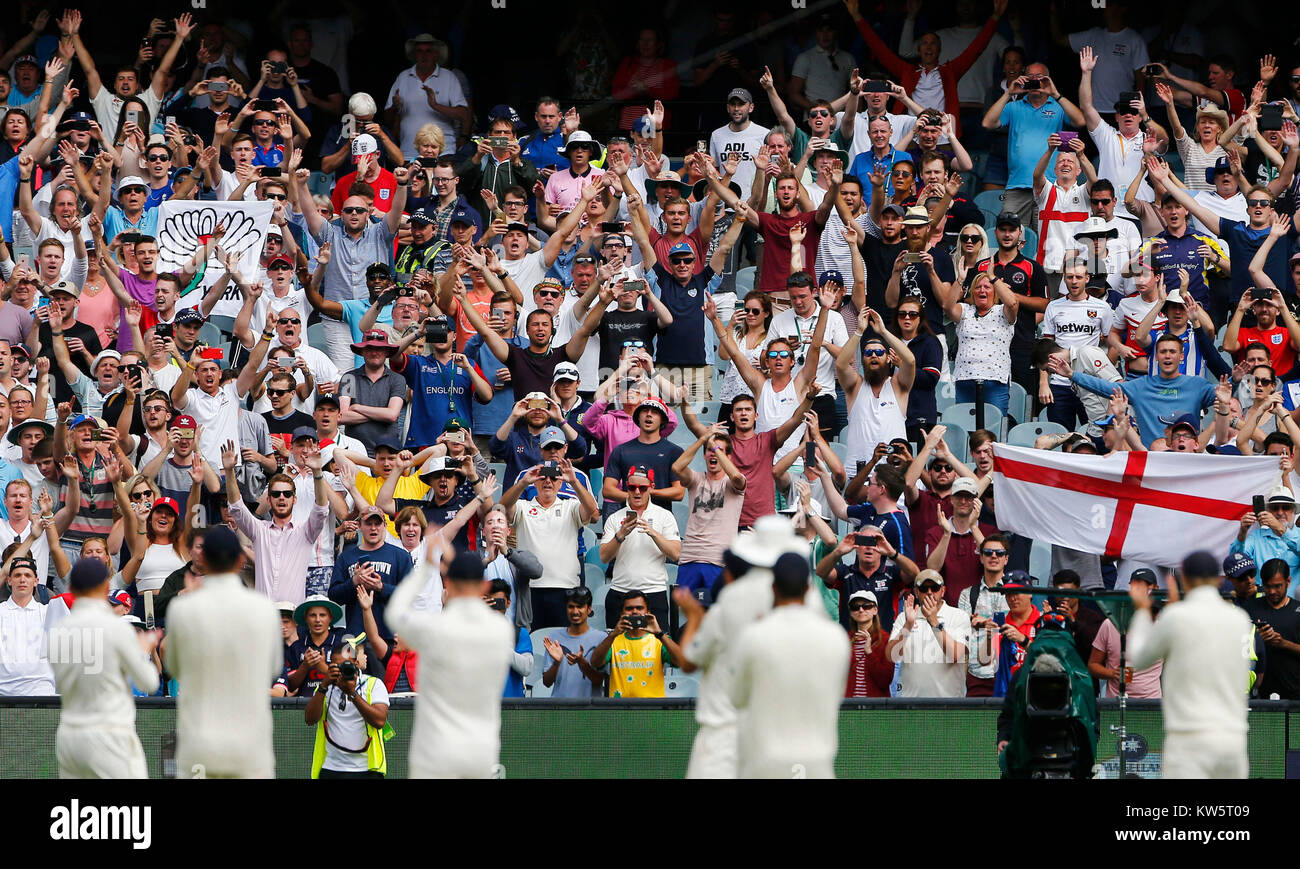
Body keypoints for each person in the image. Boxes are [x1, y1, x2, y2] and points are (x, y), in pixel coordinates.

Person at [385, 546, 513, 778]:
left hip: (435, 753)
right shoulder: (501, 629)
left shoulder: (434, 627)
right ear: (484, 587)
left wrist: (427, 566)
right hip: (480, 753)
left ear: (448, 586)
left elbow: (395, 612)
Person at [165, 526, 280, 778]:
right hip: (250, 748)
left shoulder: (182, 609)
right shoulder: (264, 609)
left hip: (199, 747)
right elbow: (272, 668)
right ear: (240, 560)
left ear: (203, 559)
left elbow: (172, 667)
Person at [1128, 551, 1252, 778]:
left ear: (1183, 578)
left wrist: (1142, 611)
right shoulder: (1240, 619)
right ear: (1219, 579)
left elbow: (1138, 659)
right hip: (1232, 740)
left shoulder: (1176, 617)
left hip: (1189, 741)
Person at [729, 551, 848, 778]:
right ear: (809, 589)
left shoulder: (753, 636)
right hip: (816, 763)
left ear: (773, 588)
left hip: (765, 763)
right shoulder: (836, 637)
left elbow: (737, 697)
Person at [49, 558, 159, 777]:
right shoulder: (117, 628)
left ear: (71, 588)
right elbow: (149, 682)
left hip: (69, 738)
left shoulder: (58, 630)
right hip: (109, 736)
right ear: (106, 587)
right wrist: (143, 649)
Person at [221, 439, 329, 604]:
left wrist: (317, 473)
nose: (281, 498)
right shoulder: (259, 530)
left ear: (294, 500)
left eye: (287, 494)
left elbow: (321, 509)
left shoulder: (305, 531)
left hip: (293, 617)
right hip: (265, 617)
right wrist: (229, 471)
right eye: (276, 494)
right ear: (269, 500)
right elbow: (236, 507)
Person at [500, 459, 598, 630]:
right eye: (543, 477)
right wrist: (523, 482)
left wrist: (574, 482)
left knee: (564, 646)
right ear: (535, 482)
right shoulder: (523, 506)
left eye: (553, 478)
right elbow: (503, 505)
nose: (548, 481)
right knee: (532, 642)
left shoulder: (571, 506)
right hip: (530, 588)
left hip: (566, 588)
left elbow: (591, 509)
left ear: (560, 483)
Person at [598, 465, 681, 630]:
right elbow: (604, 557)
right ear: (626, 488)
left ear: (651, 487)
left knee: (657, 648)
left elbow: (675, 553)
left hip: (653, 592)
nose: (637, 492)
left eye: (642, 488)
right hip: (620, 592)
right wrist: (620, 535)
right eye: (632, 487)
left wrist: (654, 534)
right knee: (619, 649)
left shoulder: (664, 516)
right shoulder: (615, 518)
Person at [304, 639, 390, 779]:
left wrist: (352, 693)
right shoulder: (324, 688)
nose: (342, 670)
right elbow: (309, 719)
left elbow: (379, 721)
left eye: (346, 665)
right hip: (331, 768)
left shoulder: (373, 684)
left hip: (367, 769)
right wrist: (324, 686)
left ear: (356, 663)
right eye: (337, 666)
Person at [886, 568, 971, 697]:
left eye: (934, 588)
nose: (929, 592)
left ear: (943, 591)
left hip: (949, 705)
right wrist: (908, 626)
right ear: (916, 592)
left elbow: (955, 656)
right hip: (912, 705)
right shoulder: (904, 618)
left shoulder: (959, 616)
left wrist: (933, 621)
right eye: (924, 588)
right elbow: (891, 656)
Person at [587, 590, 686, 698]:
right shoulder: (613, 640)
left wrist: (660, 633)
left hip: (652, 709)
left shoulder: (659, 640)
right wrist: (612, 635)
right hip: (620, 710)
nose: (634, 611)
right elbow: (595, 663)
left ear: (648, 612)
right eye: (629, 609)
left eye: (639, 608)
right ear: (622, 613)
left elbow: (681, 662)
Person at [540, 586, 606, 698]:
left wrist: (582, 663)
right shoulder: (555, 637)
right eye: (571, 607)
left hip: (590, 709)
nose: (575, 612)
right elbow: (547, 682)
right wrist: (556, 663)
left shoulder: (601, 638)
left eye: (580, 607)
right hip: (560, 708)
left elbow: (599, 681)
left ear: (589, 609)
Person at [1253, 558, 1300, 700]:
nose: (1272, 591)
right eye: (1267, 586)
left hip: (1295, 695)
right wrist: (1257, 640)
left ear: (1288, 581)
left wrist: (1283, 644)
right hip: (1259, 697)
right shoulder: (1250, 608)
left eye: (1278, 586)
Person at [484, 580, 532, 698]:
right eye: (491, 601)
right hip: (482, 705)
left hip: (512, 706)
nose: (495, 606)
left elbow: (527, 668)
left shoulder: (518, 633)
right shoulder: (475, 631)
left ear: (508, 603)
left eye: (499, 602)